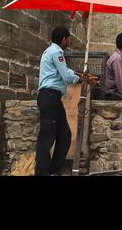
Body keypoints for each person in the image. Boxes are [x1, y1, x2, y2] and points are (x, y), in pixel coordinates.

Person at [35, 26, 98, 176]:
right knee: (47, 138)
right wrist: (85, 79)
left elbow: (67, 71)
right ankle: (43, 173)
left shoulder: (51, 51)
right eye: (67, 39)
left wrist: (85, 77)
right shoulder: (56, 52)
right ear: (64, 39)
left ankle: (54, 171)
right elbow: (67, 76)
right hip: (49, 96)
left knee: (64, 136)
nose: (68, 42)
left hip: (53, 98)